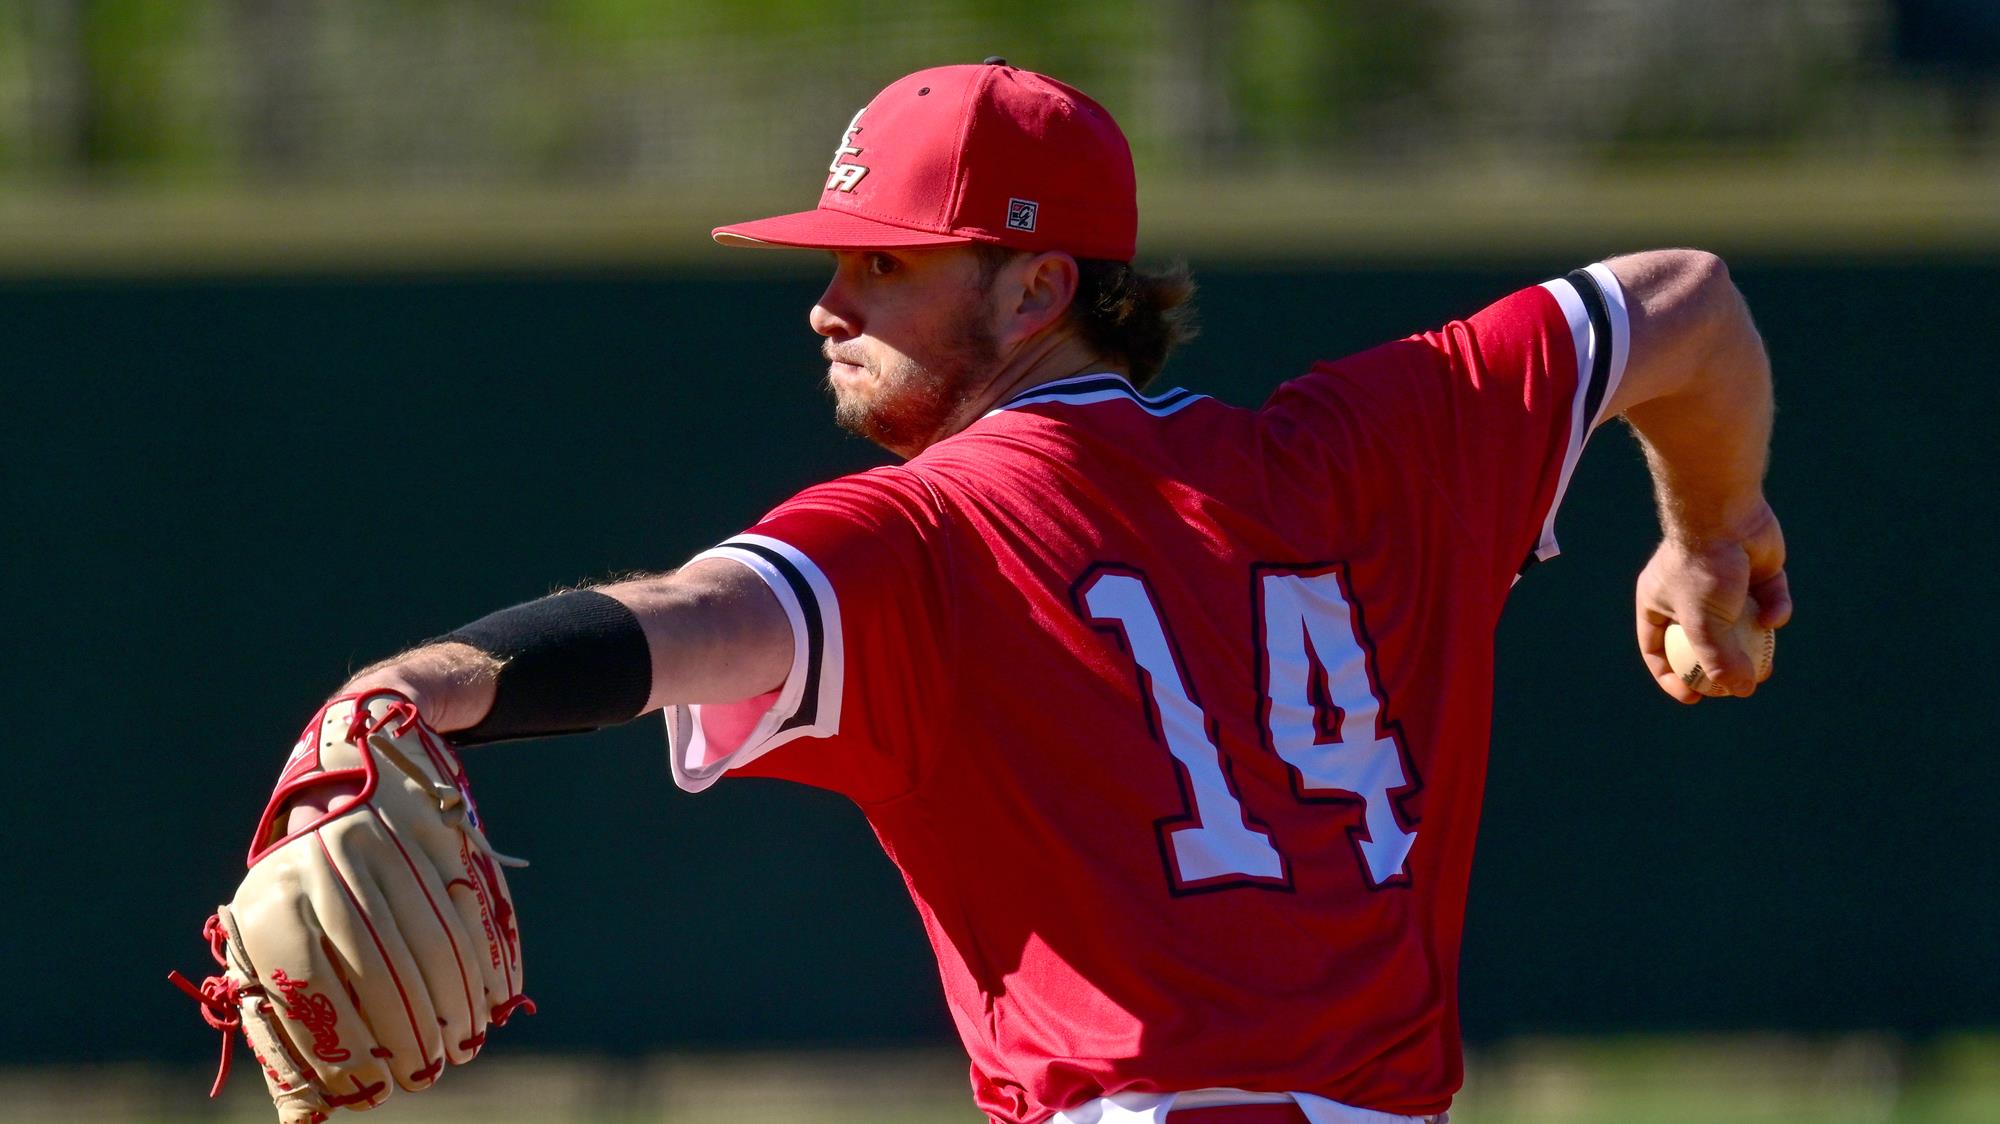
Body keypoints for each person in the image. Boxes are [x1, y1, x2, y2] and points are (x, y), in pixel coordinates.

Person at [324, 60, 1790, 1124]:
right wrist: (1709, 536)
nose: (829, 304)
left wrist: (417, 693)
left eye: (889, 264)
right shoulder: (1365, 449)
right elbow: (1687, 301)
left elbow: (673, 628)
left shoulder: (927, 533)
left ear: (1036, 289)